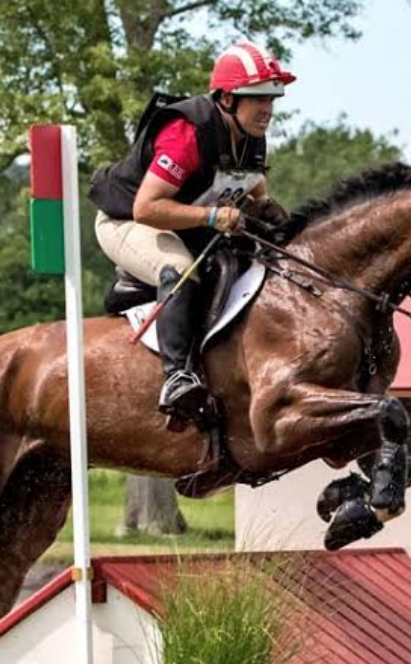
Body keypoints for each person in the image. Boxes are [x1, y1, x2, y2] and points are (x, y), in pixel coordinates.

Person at [89, 41, 295, 422]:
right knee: (179, 270)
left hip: (182, 223)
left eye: (272, 98)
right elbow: (146, 208)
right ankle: (177, 377)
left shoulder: (252, 136)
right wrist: (213, 217)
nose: (268, 109)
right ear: (227, 100)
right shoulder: (187, 133)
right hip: (128, 221)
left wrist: (275, 216)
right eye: (258, 99)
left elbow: (256, 192)